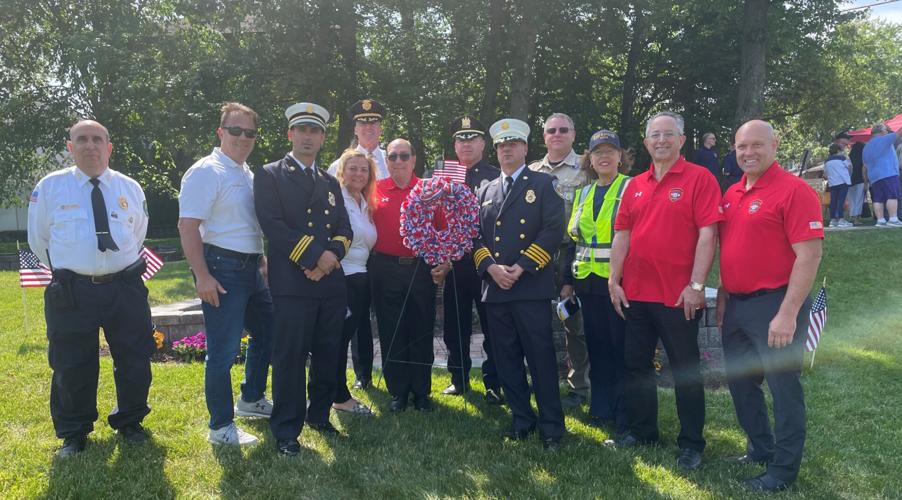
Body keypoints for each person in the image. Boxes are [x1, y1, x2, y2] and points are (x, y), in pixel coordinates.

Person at [29, 119, 154, 457]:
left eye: (97, 139)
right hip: (72, 290)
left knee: (134, 357)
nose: (90, 145)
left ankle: (130, 421)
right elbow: (39, 240)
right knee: (72, 362)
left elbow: (138, 233)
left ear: (109, 146)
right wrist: (78, 265)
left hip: (124, 287)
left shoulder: (130, 188)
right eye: (81, 139)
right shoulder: (51, 187)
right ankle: (74, 432)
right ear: (70, 147)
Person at [607, 111, 722, 471]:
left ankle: (692, 444)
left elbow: (708, 234)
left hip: (678, 296)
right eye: (654, 135)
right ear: (645, 143)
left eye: (668, 134)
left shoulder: (699, 178)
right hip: (636, 293)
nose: (661, 141)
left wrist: (697, 285)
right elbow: (622, 234)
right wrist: (614, 279)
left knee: (685, 370)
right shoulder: (635, 184)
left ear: (682, 140)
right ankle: (643, 432)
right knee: (636, 366)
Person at [717, 120, 823, 492]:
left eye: (757, 145)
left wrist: (788, 312)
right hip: (737, 306)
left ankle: (782, 470)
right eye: (742, 146)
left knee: (783, 388)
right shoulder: (731, 193)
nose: (748, 153)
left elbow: (809, 256)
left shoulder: (795, 191)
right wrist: (724, 295)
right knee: (741, 382)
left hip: (775, 304)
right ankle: (760, 448)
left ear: (775, 145)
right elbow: (732, 251)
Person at [254, 102, 352, 456]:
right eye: (303, 130)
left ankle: (320, 415)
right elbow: (273, 226)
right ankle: (286, 430)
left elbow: (344, 228)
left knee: (328, 353)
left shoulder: (328, 181)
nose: (309, 137)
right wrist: (314, 258)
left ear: (323, 138)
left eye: (315, 131)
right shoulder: (270, 174)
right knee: (290, 359)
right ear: (290, 134)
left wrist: (329, 261)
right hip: (293, 283)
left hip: (328, 283)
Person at [178, 103, 273, 447]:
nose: (243, 138)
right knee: (222, 351)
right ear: (221, 132)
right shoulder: (207, 171)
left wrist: (261, 258)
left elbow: (248, 223)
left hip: (251, 269)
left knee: (269, 332)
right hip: (221, 268)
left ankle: (251, 399)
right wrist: (201, 276)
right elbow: (187, 226)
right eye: (235, 131)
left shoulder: (247, 172)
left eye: (250, 133)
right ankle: (220, 427)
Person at [474, 118, 566, 451]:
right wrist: (490, 268)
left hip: (529, 288)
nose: (507, 149)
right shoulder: (485, 190)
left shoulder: (543, 184)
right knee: (507, 358)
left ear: (525, 148)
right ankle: (521, 420)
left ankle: (552, 427)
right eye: (501, 145)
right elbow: (474, 237)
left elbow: (554, 230)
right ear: (496, 150)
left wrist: (522, 267)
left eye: (513, 144)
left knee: (540, 358)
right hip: (496, 289)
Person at [432, 116, 503, 403]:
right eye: (461, 139)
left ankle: (493, 382)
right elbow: (434, 222)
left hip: (488, 265)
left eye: (472, 138)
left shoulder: (496, 176)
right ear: (454, 145)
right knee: (455, 326)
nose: (467, 144)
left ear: (483, 144)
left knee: (492, 326)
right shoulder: (443, 179)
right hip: (456, 264)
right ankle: (458, 378)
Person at [565, 130, 631, 434]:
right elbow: (573, 242)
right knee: (597, 346)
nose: (603, 157)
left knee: (620, 347)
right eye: (597, 152)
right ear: (589, 159)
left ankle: (622, 411)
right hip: (587, 283)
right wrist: (567, 281)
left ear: (620, 156)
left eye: (610, 151)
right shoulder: (583, 193)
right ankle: (601, 406)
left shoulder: (630, 188)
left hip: (619, 283)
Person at [370, 139, 439, 413]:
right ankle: (398, 391)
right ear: (386, 161)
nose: (398, 161)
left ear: (413, 159)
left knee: (421, 329)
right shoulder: (374, 190)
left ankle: (422, 393)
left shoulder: (428, 190)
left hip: (421, 268)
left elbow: (442, 229)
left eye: (403, 156)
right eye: (393, 156)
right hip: (384, 268)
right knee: (391, 330)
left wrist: (442, 262)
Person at [528, 112, 590, 408]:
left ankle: (579, 386)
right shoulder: (532, 170)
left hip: (570, 253)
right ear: (543, 136)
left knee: (574, 325)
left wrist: (570, 274)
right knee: (532, 321)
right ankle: (537, 379)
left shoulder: (586, 170)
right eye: (551, 130)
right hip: (535, 255)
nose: (557, 134)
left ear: (573, 134)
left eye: (563, 130)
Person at [332, 149, 378, 416]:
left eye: (364, 169)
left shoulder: (364, 202)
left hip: (361, 277)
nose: (359, 174)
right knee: (337, 340)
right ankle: (338, 395)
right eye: (353, 168)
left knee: (346, 335)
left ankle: (335, 391)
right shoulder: (337, 198)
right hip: (341, 277)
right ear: (342, 171)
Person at [328, 99, 389, 181]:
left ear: (380, 129)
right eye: (363, 123)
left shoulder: (392, 162)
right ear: (355, 130)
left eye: (373, 123)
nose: (368, 127)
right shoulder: (339, 166)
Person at [862, 123, 902, 227]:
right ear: (882, 131)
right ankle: (893, 219)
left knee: (878, 198)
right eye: (886, 130)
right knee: (892, 195)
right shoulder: (885, 139)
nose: (888, 131)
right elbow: (899, 133)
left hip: (874, 176)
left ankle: (880, 220)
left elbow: (865, 165)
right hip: (888, 172)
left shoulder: (866, 147)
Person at [824, 144, 852, 228]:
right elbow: (849, 166)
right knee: (841, 201)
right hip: (843, 182)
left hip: (832, 183)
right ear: (838, 151)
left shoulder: (827, 161)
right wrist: (849, 174)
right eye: (841, 150)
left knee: (833, 201)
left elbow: (825, 174)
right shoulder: (842, 158)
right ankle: (841, 220)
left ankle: (833, 220)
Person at [847, 142, 867, 224]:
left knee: (851, 200)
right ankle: (856, 219)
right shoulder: (863, 158)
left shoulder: (849, 158)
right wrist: (866, 182)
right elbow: (864, 170)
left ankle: (851, 217)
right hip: (860, 180)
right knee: (858, 200)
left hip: (849, 181)